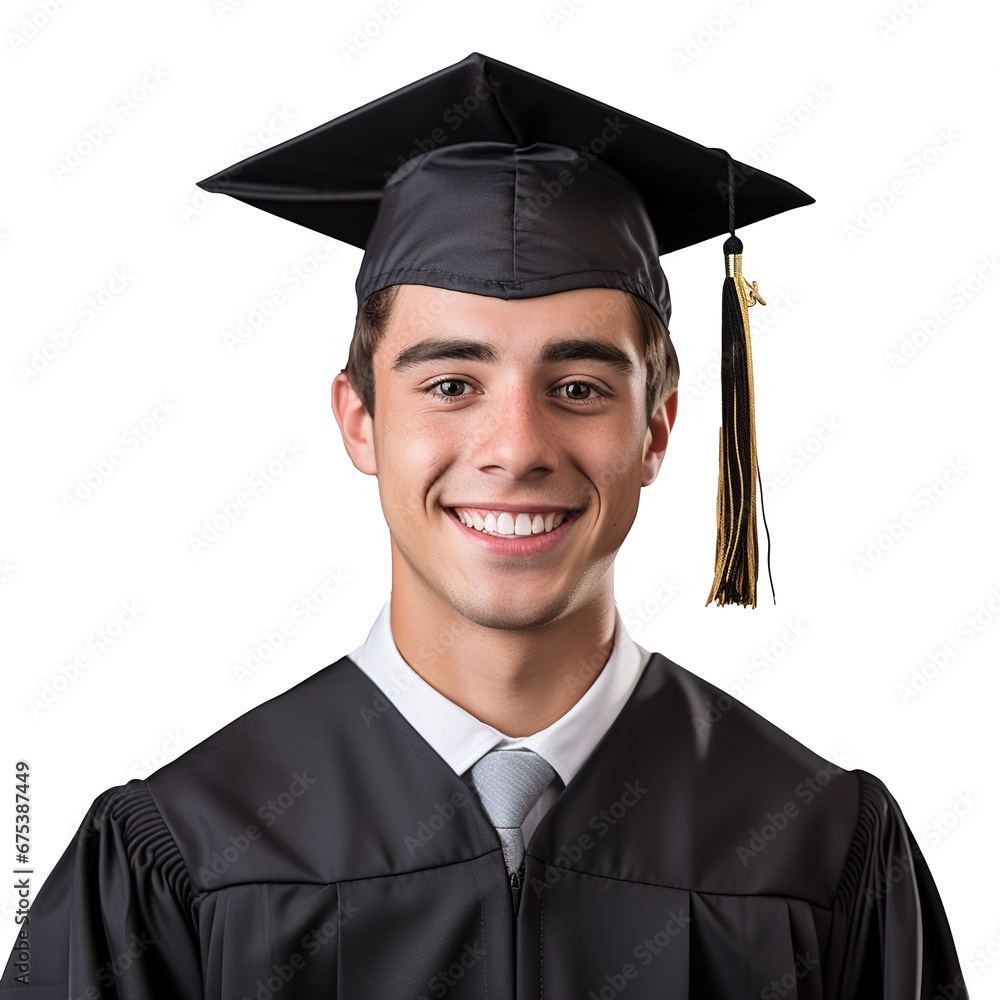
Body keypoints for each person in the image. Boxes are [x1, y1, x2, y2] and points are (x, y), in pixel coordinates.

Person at [1, 52, 967, 999]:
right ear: (360, 421)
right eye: (452, 385)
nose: (516, 448)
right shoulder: (181, 855)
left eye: (579, 388)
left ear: (657, 431)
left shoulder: (819, 846)